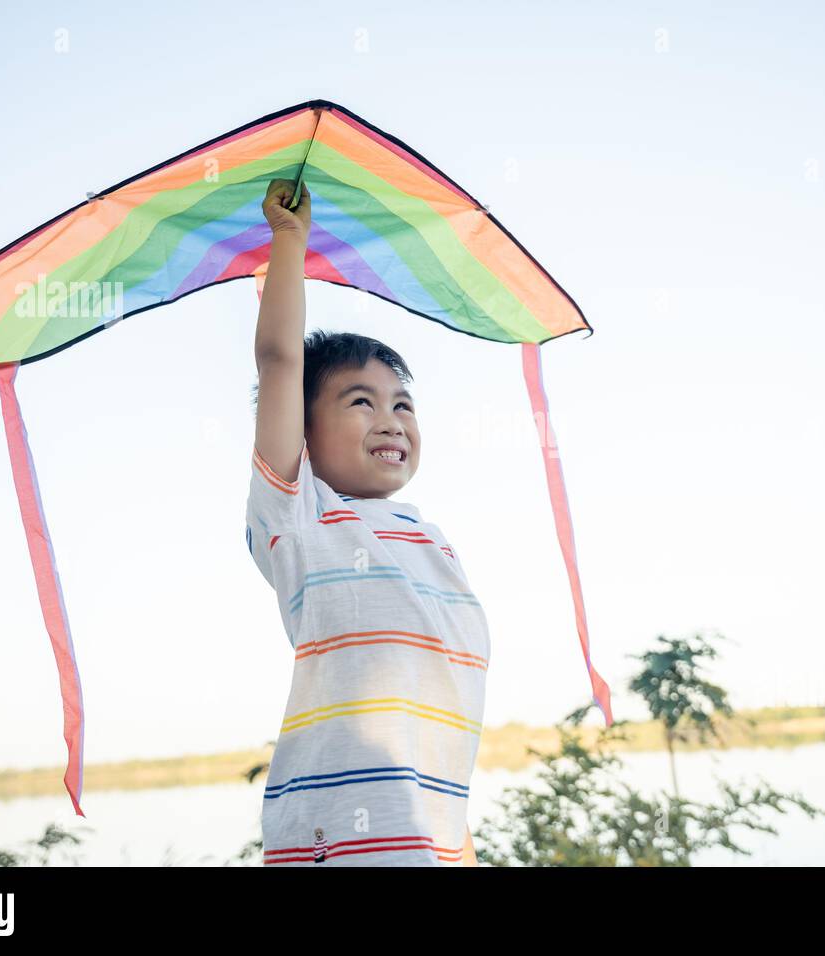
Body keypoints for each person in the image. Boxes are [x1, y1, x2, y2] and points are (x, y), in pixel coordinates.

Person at [246, 178, 488, 866]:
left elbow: (440, 744)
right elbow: (280, 360)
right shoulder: (298, 517)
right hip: (339, 844)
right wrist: (290, 242)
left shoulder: (431, 539)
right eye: (360, 400)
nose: (390, 419)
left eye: (403, 404)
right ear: (302, 427)